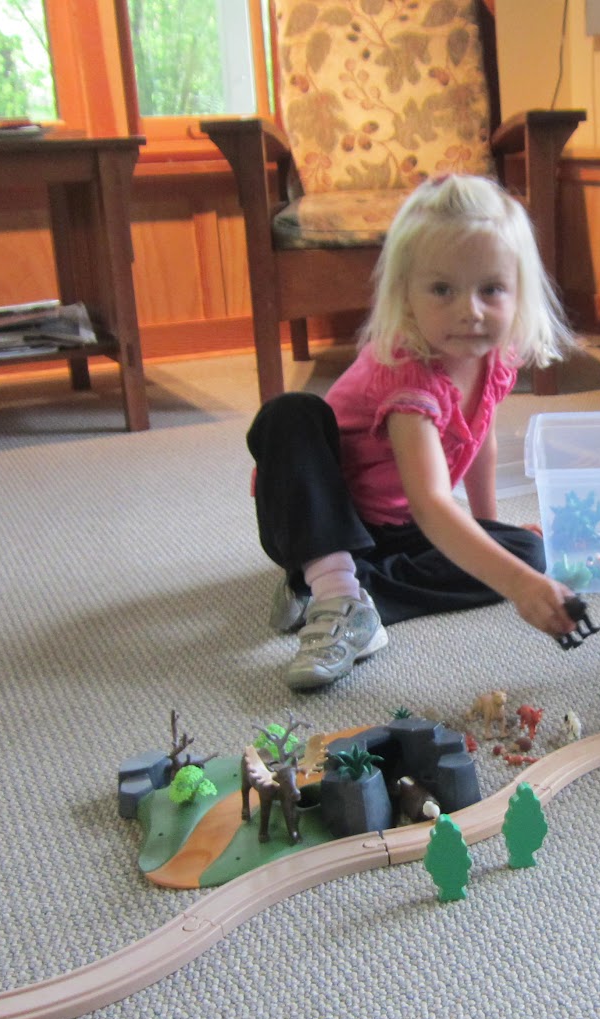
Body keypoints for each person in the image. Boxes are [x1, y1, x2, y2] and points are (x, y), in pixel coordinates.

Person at [247, 173, 580, 691]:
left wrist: (489, 530)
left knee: (526, 554)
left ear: (520, 292)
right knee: (290, 413)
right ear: (407, 294)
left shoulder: (495, 357)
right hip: (319, 516)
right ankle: (332, 587)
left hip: (397, 530)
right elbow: (429, 501)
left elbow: (480, 436)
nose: (469, 312)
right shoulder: (410, 370)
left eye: (491, 290)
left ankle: (347, 592)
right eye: (442, 290)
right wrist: (517, 587)